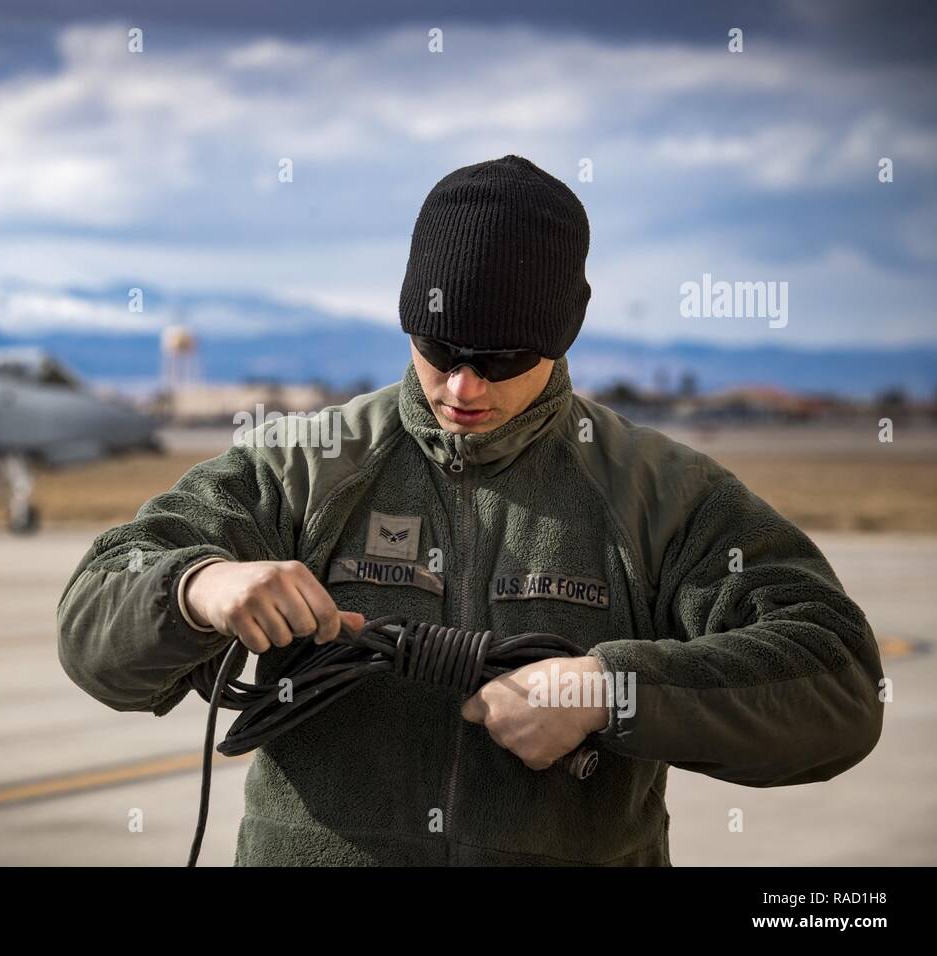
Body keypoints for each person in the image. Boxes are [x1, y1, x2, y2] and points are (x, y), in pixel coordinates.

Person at [57, 156, 885, 865]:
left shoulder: (662, 496)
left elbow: (838, 682)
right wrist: (198, 587)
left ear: (563, 336)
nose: (462, 388)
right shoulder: (300, 467)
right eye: (439, 349)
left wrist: (611, 690)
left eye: (499, 359)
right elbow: (94, 615)